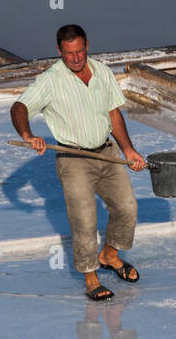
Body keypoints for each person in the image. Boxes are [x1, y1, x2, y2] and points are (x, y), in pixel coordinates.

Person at [10, 24, 147, 301]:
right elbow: (19, 107)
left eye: (80, 51)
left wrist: (128, 150)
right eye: (69, 53)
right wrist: (27, 134)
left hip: (106, 152)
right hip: (74, 159)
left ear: (88, 45)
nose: (75, 58)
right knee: (84, 220)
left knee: (127, 208)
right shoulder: (50, 80)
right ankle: (91, 277)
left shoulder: (102, 72)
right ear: (59, 51)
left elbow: (113, 114)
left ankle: (110, 255)